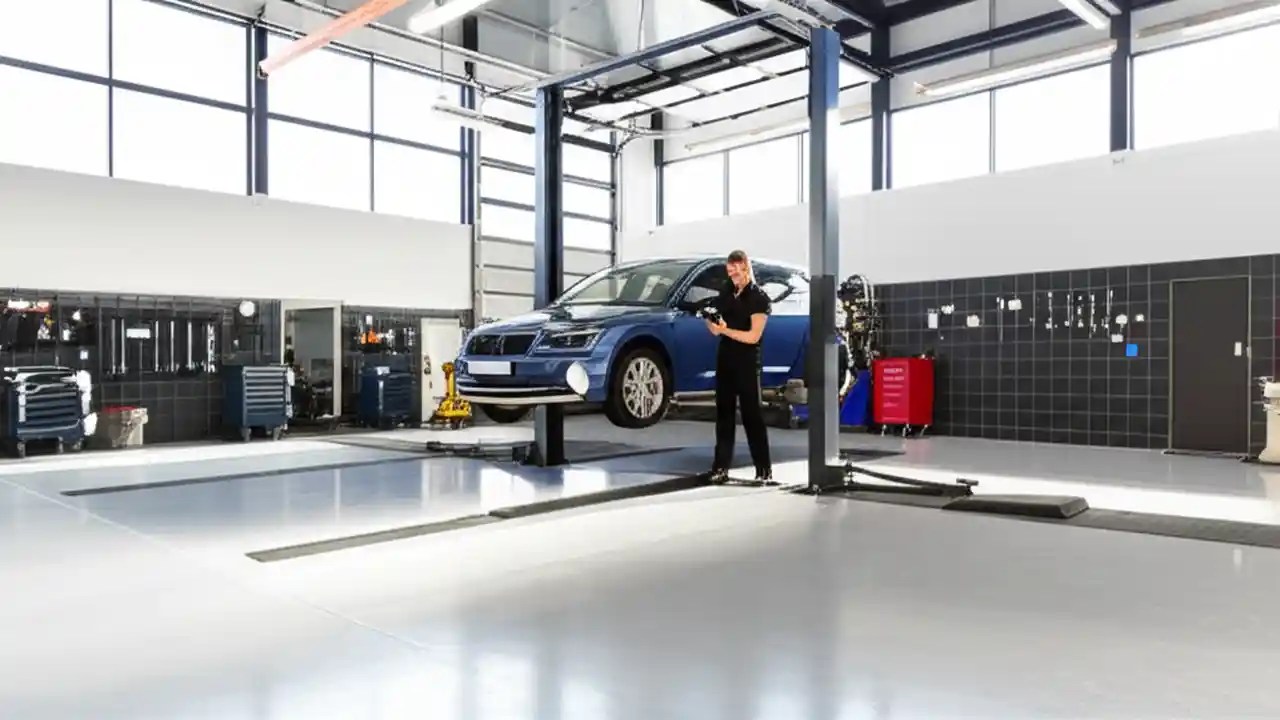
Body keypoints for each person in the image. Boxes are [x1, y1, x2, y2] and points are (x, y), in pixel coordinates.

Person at [705, 249, 772, 482]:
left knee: (752, 415)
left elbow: (753, 336)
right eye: (729, 271)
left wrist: (724, 330)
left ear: (745, 267)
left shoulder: (759, 298)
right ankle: (720, 468)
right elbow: (714, 324)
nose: (732, 275)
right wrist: (711, 321)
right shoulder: (726, 293)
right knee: (724, 416)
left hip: (746, 362)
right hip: (725, 360)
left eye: (735, 270)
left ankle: (763, 469)